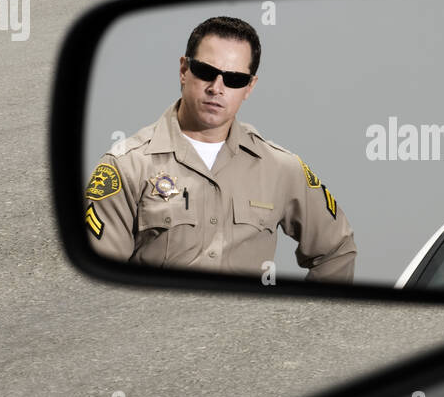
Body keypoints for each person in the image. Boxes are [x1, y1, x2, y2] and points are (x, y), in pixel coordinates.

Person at [83, 16, 356, 282]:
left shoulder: (281, 168)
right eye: (206, 72)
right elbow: (100, 282)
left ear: (249, 87)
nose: (217, 88)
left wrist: (302, 324)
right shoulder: (125, 166)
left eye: (234, 79)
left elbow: (336, 249)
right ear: (183, 70)